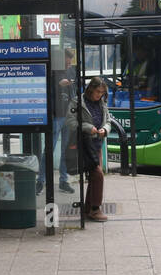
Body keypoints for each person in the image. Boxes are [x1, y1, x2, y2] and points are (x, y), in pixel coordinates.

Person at [69, 76, 117, 222]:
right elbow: (70, 122)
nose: (99, 95)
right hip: (84, 144)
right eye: (97, 92)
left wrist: (105, 130)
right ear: (90, 89)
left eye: (102, 93)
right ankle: (95, 209)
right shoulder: (77, 102)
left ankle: (88, 207)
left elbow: (108, 120)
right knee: (98, 175)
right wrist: (88, 128)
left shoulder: (102, 103)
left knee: (94, 176)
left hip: (97, 144)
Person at [42, 51, 78, 194]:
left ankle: (64, 181)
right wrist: (60, 84)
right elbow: (52, 88)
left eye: (70, 62)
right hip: (56, 116)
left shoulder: (70, 72)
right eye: (66, 62)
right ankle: (41, 180)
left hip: (67, 116)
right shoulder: (52, 73)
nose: (68, 65)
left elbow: (73, 90)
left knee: (65, 151)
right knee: (49, 150)